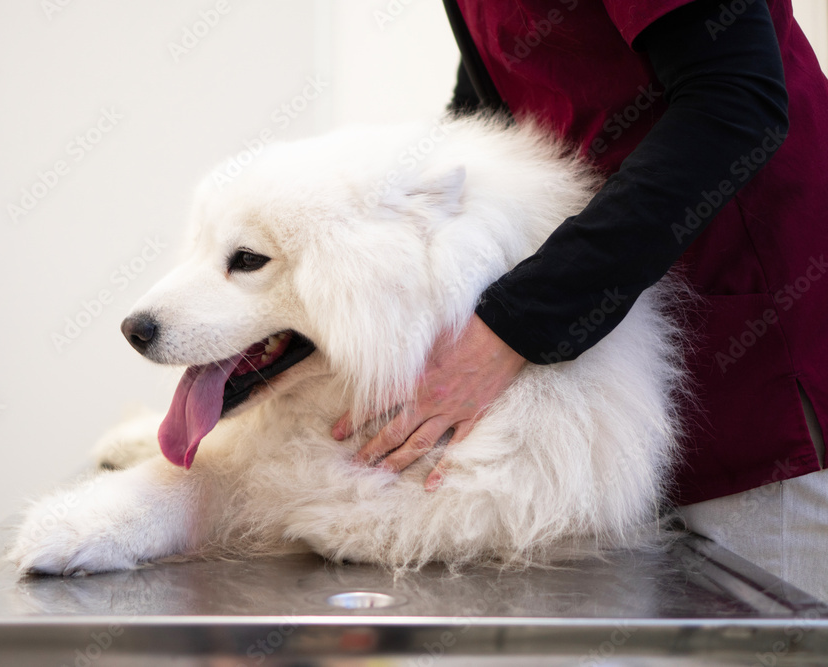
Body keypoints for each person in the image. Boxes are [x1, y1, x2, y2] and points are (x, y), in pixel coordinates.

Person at [335, 0, 828, 598]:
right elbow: (497, 98)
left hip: (751, 338)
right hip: (600, 347)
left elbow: (733, 103)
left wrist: (513, 325)